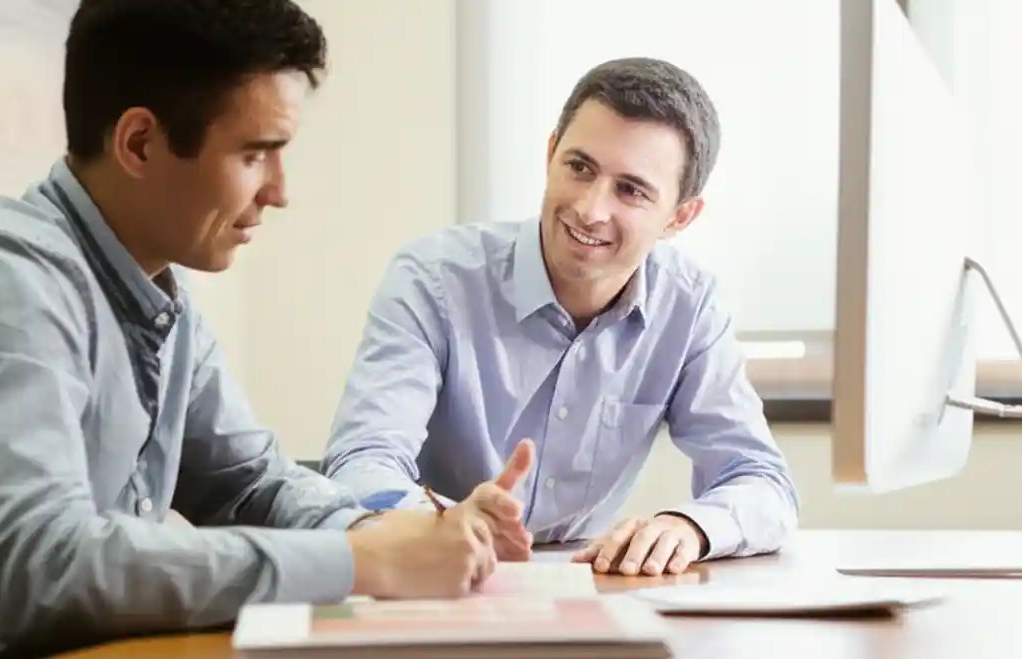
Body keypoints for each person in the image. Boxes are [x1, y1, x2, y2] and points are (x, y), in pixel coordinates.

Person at [0, 0, 524, 659]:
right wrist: (357, 561)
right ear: (138, 143)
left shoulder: (159, 294)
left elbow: (250, 483)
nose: (281, 192)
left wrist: (390, 531)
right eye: (255, 154)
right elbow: (36, 567)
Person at [323, 57, 799, 579]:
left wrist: (690, 526)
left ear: (679, 217)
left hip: (583, 587)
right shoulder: (433, 280)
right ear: (551, 154)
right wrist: (437, 523)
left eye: (631, 190)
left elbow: (761, 481)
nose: (591, 209)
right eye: (580, 168)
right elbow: (362, 461)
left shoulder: (689, 306)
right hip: (431, 579)